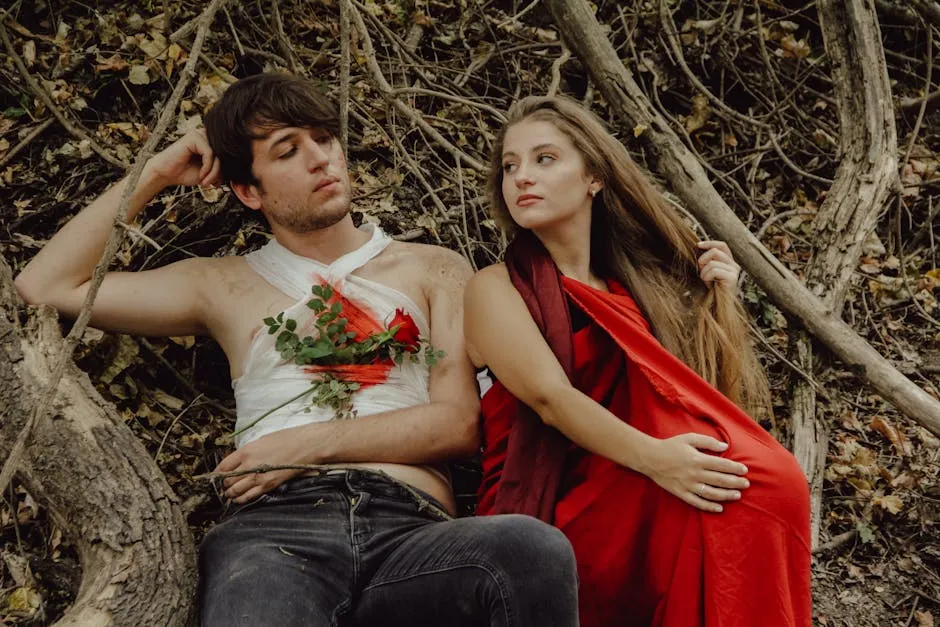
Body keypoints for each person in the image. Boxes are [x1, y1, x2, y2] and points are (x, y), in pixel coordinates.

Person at [14, 73, 579, 626]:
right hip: (277, 534)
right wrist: (156, 172)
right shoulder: (222, 285)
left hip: (415, 529)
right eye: (288, 151)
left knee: (529, 550)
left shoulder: (433, 268)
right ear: (247, 190)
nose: (320, 159)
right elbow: (44, 287)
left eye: (324, 138)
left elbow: (457, 424)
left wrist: (304, 444)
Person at [464, 95, 811, 627]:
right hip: (554, 495)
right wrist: (659, 461)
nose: (521, 177)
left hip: (637, 475)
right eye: (510, 165)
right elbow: (549, 399)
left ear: (594, 178)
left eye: (545, 159)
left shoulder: (633, 292)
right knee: (735, 491)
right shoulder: (495, 287)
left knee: (758, 483)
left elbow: (701, 402)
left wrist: (723, 300)